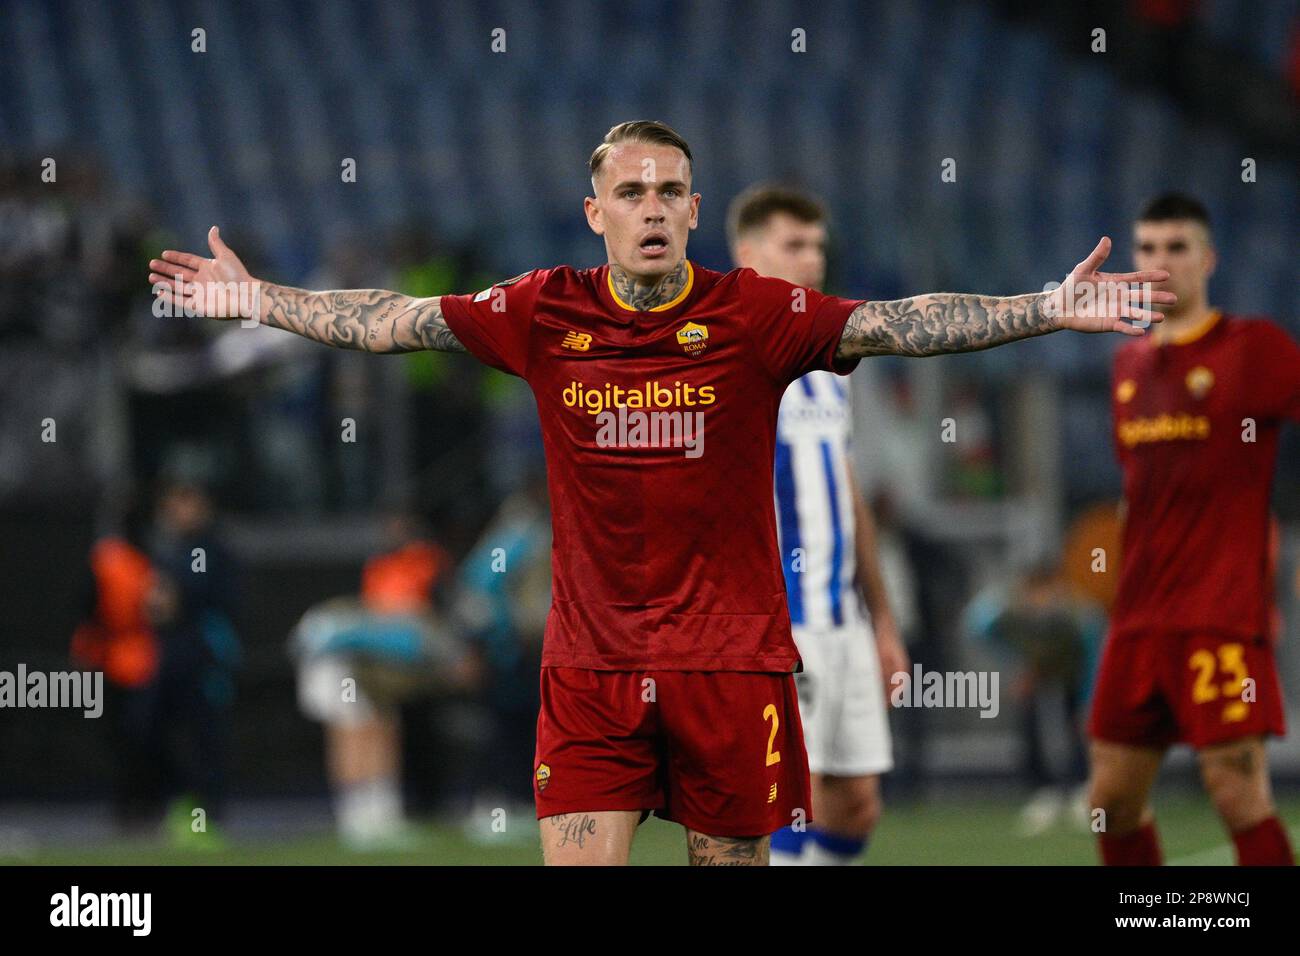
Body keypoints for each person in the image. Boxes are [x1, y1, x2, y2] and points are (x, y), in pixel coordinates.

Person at [149, 120, 1171, 866]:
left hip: (728, 662)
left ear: (691, 209)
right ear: (596, 213)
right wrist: (256, 299)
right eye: (629, 192)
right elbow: (388, 319)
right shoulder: (542, 310)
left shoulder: (754, 314)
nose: (650, 208)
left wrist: (1045, 306)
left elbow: (899, 321)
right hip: (591, 665)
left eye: (668, 191)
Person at [1086, 193, 1298, 866]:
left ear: (1208, 258)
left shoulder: (1253, 349)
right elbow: (1136, 499)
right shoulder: (1127, 368)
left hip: (1221, 613)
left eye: (1176, 248)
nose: (1159, 263)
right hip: (1140, 620)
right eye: (1146, 248)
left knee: (1236, 790)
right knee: (1110, 804)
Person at [727, 185, 905, 865]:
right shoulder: (728, 357)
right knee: (785, 801)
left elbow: (848, 494)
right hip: (776, 623)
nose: (811, 260)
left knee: (856, 801)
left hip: (842, 618)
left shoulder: (834, 359)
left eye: (818, 246)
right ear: (749, 255)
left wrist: (882, 620)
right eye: (793, 245)